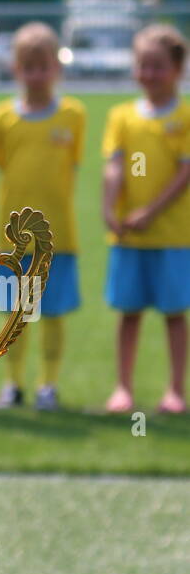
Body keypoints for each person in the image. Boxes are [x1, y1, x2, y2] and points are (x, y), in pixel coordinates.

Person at [0, 23, 85, 412]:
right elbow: (1, 163)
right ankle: (12, 385)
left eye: (43, 66)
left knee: (54, 311)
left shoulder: (72, 115)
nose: (36, 75)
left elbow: (73, 164)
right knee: (14, 312)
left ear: (56, 68)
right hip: (13, 240)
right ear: (16, 69)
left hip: (58, 235)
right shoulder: (1, 118)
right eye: (28, 67)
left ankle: (49, 385)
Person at [102, 23, 190, 415]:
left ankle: (174, 390)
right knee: (129, 314)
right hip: (128, 237)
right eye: (142, 65)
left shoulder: (185, 115)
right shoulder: (122, 115)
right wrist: (110, 206)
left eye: (157, 66)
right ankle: (123, 389)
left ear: (177, 69)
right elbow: (115, 164)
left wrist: (150, 212)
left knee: (174, 314)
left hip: (172, 235)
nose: (148, 74)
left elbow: (185, 172)